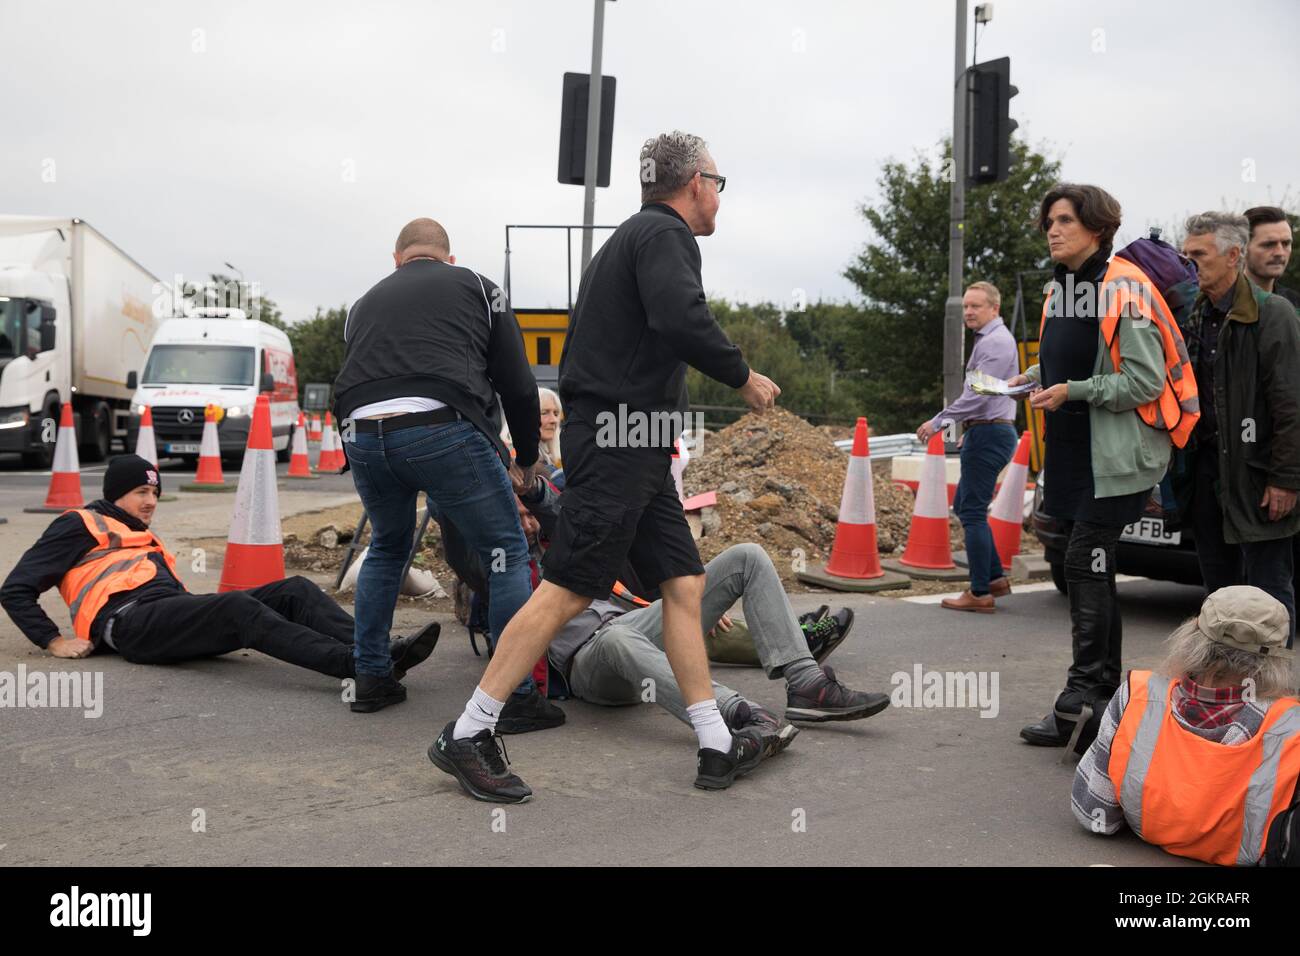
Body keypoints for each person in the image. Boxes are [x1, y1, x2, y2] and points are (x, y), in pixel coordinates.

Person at [428, 131, 782, 803]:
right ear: (695, 184)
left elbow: (655, 331)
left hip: (638, 447)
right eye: (719, 183)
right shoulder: (663, 235)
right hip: (617, 445)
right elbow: (681, 317)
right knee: (565, 588)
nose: (719, 197)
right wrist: (742, 375)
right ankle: (469, 732)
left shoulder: (634, 239)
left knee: (681, 583)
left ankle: (713, 741)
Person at [333, 218, 559, 724]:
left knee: (388, 547)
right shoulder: (478, 286)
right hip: (441, 426)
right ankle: (515, 696)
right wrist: (524, 457)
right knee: (505, 549)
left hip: (362, 433)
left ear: (397, 261)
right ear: (448, 259)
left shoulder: (363, 303)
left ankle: (370, 678)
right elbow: (519, 384)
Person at [1010, 183, 1192, 753]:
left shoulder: (1122, 287)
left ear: (1096, 228)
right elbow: (1079, 354)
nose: (1053, 230)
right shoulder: (1064, 286)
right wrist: (1036, 377)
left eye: (1064, 220)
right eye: (1048, 222)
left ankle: (1080, 703)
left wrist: (1074, 390)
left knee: (1087, 565)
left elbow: (1142, 380)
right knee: (1090, 568)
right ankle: (1102, 698)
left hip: (1115, 460)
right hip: (1075, 454)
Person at [0, 456, 439, 685]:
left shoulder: (138, 533)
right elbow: (15, 588)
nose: (150, 501)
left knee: (295, 589)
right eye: (140, 492)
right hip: (129, 624)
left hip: (168, 614)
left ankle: (379, 649)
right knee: (236, 608)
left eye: (155, 491)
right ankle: (358, 666)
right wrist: (53, 640)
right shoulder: (79, 523)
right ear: (115, 494)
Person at [551, 544, 891, 768]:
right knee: (616, 637)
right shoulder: (517, 560)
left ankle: (808, 685)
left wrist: (685, 606)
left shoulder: (566, 523)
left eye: (527, 512)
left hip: (632, 620)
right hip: (587, 660)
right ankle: (740, 714)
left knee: (747, 557)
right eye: (519, 514)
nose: (527, 521)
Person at [1072, 586, 1300, 866]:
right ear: (1274, 658)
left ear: (1194, 638)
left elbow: (1095, 814)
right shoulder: (1291, 726)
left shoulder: (1136, 695)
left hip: (1145, 830)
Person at [1180, 212, 1300, 644]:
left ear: (1232, 255)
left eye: (1199, 254)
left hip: (1259, 475)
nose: (1189, 261)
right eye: (1187, 252)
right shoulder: (1197, 314)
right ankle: (1229, 696)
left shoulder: (1274, 314)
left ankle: (1275, 700)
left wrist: (1285, 479)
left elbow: (1291, 405)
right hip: (1209, 474)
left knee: (1269, 597)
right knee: (1218, 596)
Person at [916, 281, 1020, 612]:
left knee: (972, 511)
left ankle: (979, 593)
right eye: (966, 306)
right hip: (986, 430)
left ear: (994, 309)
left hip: (990, 434)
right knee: (965, 505)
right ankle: (993, 579)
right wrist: (971, 429)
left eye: (976, 306)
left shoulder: (995, 343)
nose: (969, 312)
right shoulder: (992, 340)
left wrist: (940, 422)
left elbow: (978, 394)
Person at [1243, 205, 1299, 308]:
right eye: (1268, 244)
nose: (1280, 253)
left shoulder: (1295, 305)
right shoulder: (1217, 303)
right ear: (1243, 247)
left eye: (1286, 243)